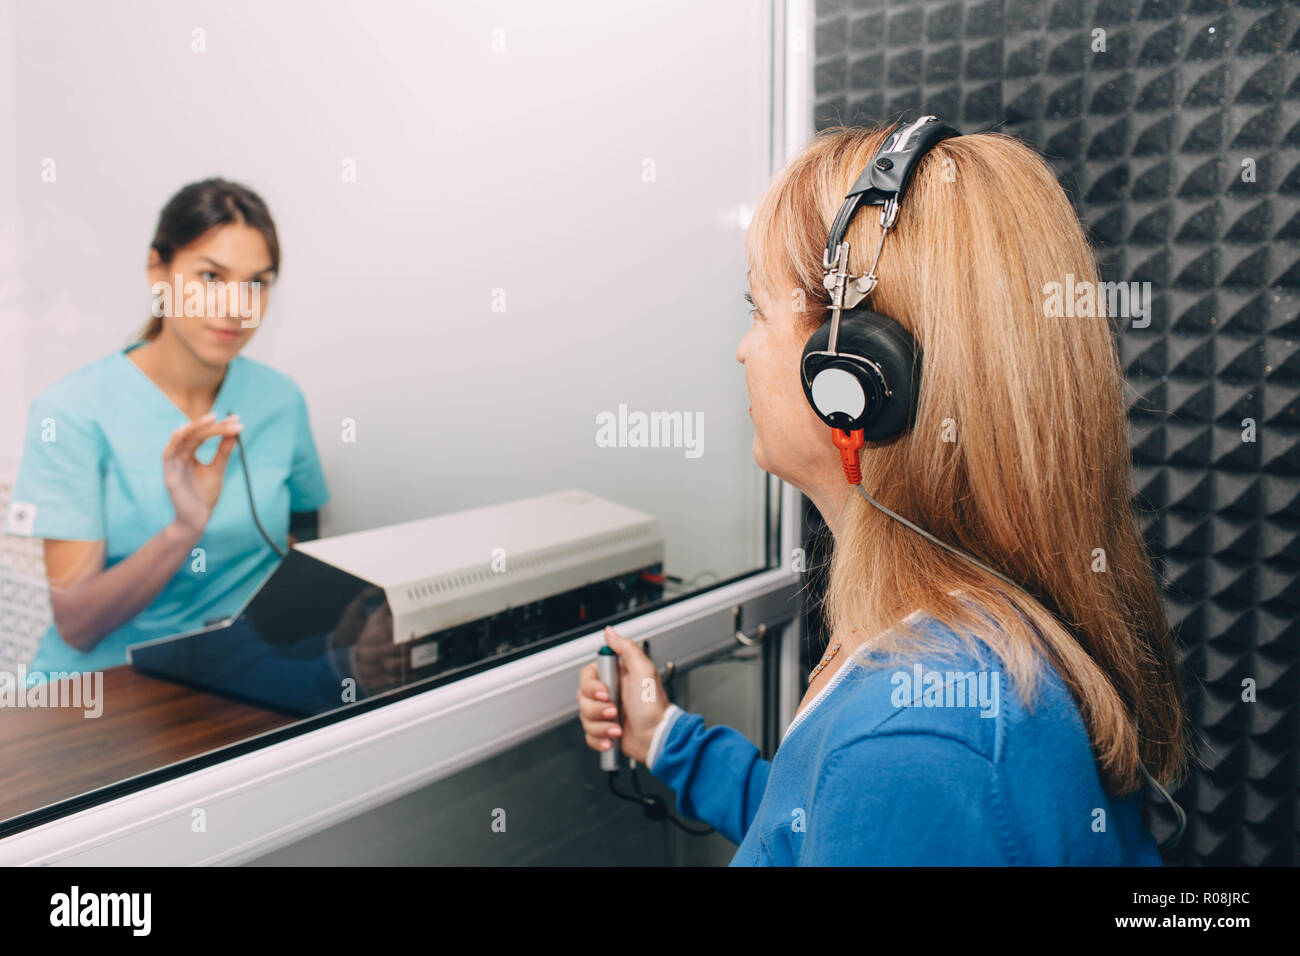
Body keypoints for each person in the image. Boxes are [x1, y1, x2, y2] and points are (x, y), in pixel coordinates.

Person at [577, 121, 1189, 865]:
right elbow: (825, 822)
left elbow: (883, 793)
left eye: (757, 311)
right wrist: (669, 739)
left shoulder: (919, 742)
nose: (742, 349)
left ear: (854, 369)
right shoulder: (946, 649)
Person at [5, 178, 330, 678]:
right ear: (159, 270)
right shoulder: (70, 412)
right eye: (211, 277)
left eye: (256, 283)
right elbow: (77, 625)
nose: (235, 307)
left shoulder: (280, 399)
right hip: (104, 692)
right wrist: (184, 530)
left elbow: (307, 528)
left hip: (242, 674)